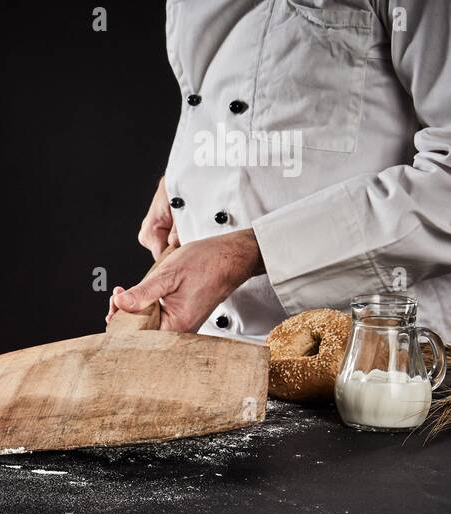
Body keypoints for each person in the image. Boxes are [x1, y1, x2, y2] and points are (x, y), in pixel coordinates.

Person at [107, 0, 450, 341]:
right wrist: (187, 176)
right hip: (208, 341)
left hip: (375, 355)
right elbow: (225, 95)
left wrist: (246, 252)